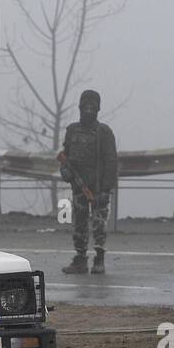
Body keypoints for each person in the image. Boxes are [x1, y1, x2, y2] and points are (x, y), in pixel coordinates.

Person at [59, 89, 117, 274]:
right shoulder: (72, 131)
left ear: (98, 109)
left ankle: (99, 259)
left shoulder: (104, 132)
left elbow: (111, 162)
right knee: (79, 224)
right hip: (78, 187)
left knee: (99, 225)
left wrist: (106, 189)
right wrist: (65, 171)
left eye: (92, 107)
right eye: (86, 107)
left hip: (98, 189)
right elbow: (65, 156)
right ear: (80, 108)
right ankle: (80, 259)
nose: (89, 110)